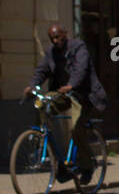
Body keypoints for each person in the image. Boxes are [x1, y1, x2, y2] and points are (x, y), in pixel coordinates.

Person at [25, 24, 107, 180]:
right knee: (41, 105)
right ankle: (48, 150)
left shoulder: (78, 47)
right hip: (64, 93)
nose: (55, 41)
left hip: (83, 95)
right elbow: (41, 71)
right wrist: (32, 86)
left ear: (65, 34)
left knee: (76, 129)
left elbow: (81, 69)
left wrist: (71, 84)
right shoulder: (51, 53)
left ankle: (87, 166)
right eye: (52, 38)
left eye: (58, 37)